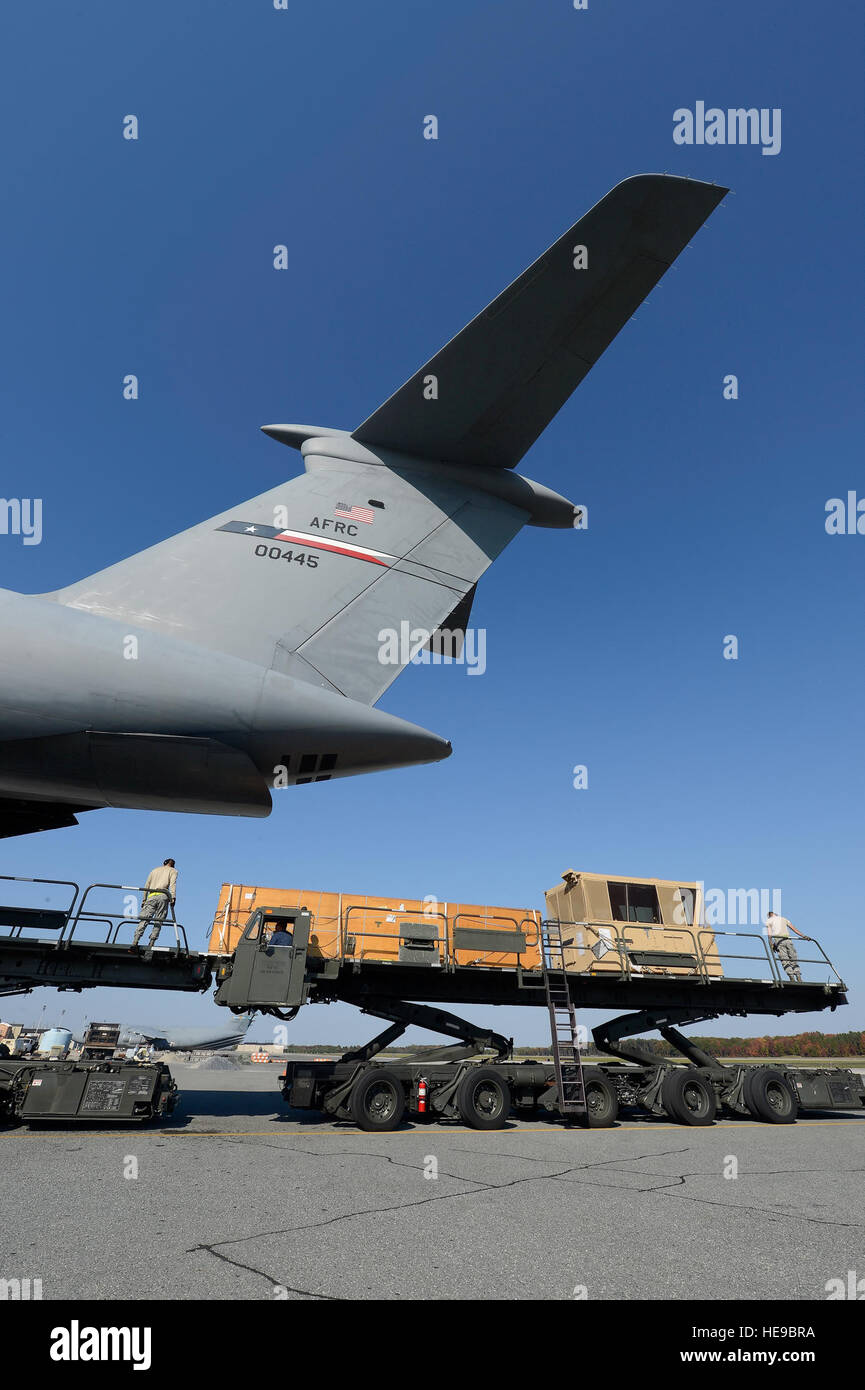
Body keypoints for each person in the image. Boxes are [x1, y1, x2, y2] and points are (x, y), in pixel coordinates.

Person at [131, 859, 178, 950]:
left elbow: (147, 885)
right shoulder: (173, 871)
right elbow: (173, 884)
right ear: (173, 865)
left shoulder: (154, 870)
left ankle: (135, 941)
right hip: (163, 895)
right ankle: (152, 942)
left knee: (144, 919)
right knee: (159, 919)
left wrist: (144, 900)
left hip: (151, 895)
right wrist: (173, 897)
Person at [766, 910, 807, 983]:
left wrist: (771, 945)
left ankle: (791, 977)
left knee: (785, 960)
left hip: (779, 942)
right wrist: (804, 936)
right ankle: (798, 976)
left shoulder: (769, 921)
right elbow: (794, 929)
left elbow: (769, 935)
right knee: (793, 958)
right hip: (788, 940)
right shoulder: (784, 919)